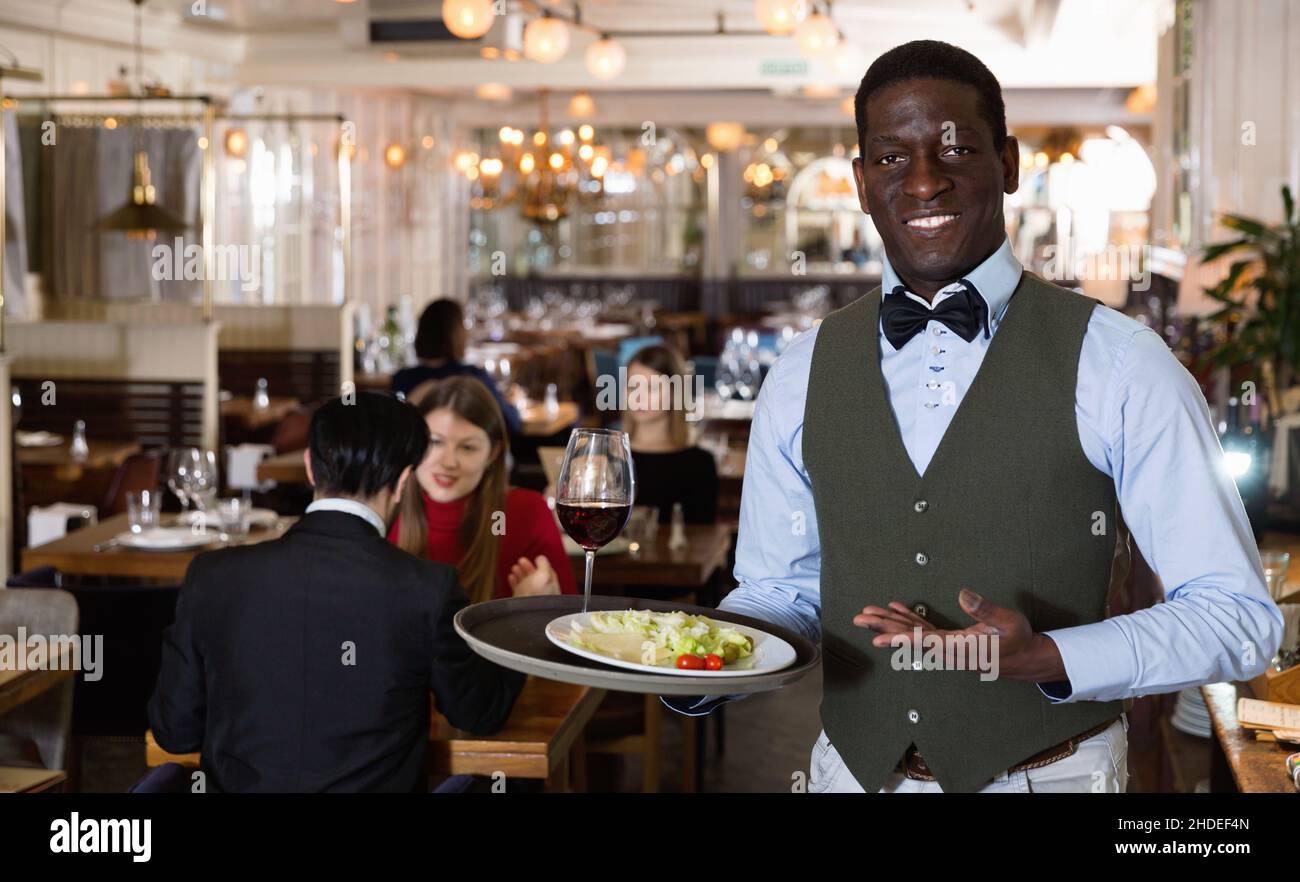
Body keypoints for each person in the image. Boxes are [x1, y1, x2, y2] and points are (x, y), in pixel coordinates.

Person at [668, 40, 1283, 794]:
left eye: (955, 146)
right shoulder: (799, 371)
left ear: (1011, 163)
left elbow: (1238, 618)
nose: (925, 181)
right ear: (861, 183)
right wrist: (695, 658)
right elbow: (781, 591)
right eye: (892, 158)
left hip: (1051, 778)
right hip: (849, 775)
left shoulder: (1123, 362)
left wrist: (1047, 657)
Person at [149, 392, 525, 792]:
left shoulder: (212, 575)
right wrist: (520, 620)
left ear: (311, 467)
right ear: (401, 483)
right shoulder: (429, 588)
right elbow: (478, 712)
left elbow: (175, 731)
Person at [391, 376, 577, 601]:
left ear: (493, 453)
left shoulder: (528, 513)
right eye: (435, 442)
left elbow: (567, 625)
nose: (448, 462)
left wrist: (537, 611)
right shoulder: (384, 509)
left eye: (467, 447)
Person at [392, 298, 523, 435]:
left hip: (416, 455)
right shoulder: (472, 377)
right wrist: (514, 404)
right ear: (459, 335)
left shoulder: (401, 379)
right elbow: (512, 424)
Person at [623, 342, 718, 525]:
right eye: (633, 387)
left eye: (651, 388)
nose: (638, 397)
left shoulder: (699, 464)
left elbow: (702, 537)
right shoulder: (610, 457)